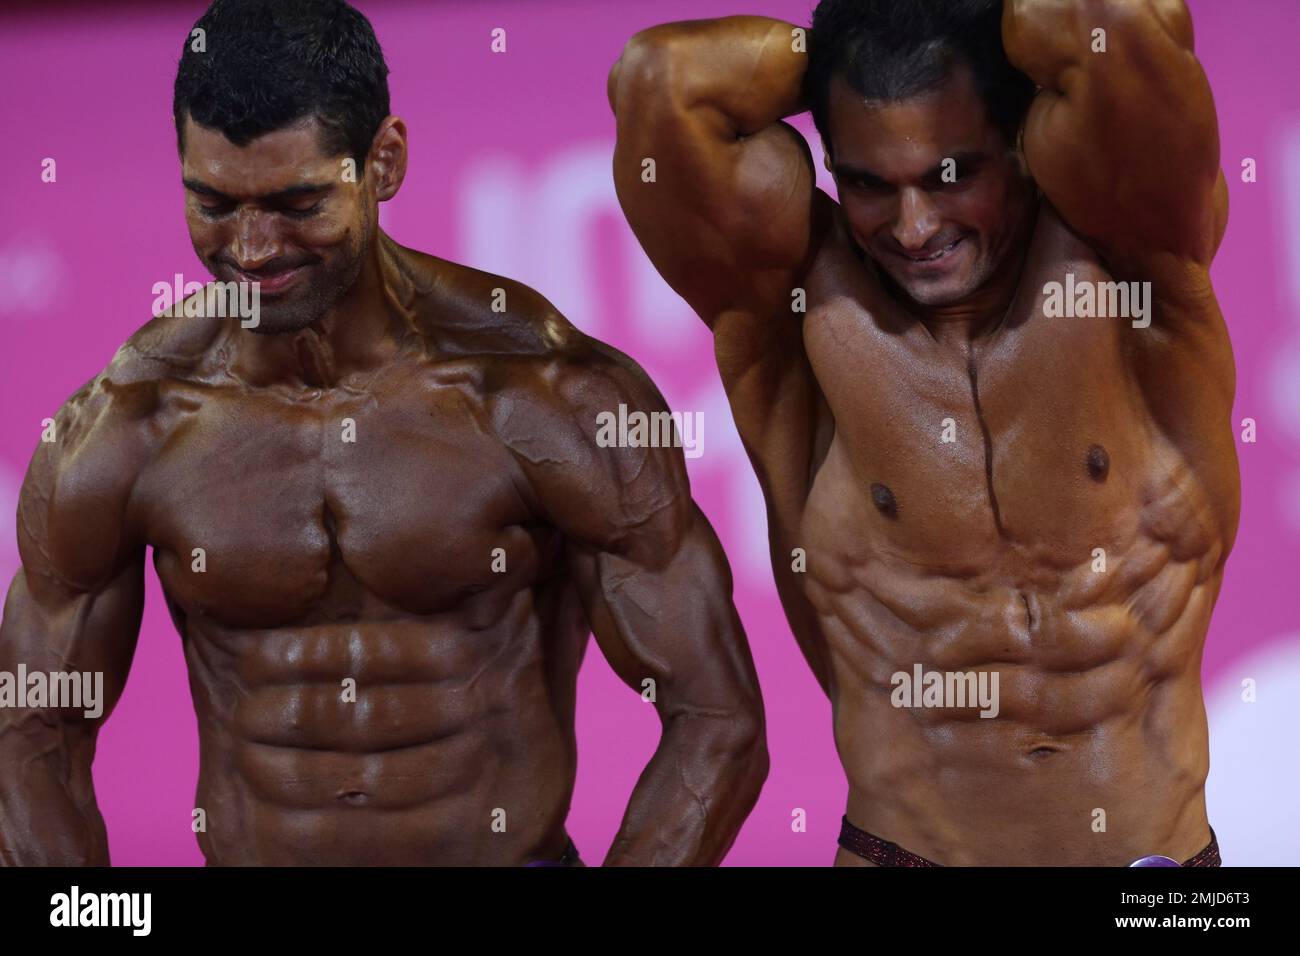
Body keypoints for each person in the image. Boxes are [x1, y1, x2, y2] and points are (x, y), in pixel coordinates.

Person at [0, 0, 767, 866]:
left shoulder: (544, 394)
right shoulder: (128, 422)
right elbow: (31, 735)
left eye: (296, 203)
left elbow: (715, 718)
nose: (251, 250)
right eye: (214, 204)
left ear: (385, 161)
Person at [609, 0, 1235, 866]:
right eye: (868, 183)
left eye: (949, 174)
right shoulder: (792, 311)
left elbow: (1110, 20)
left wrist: (956, 28)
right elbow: (661, 79)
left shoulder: (1136, 260)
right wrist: (855, 47)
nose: (912, 228)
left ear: (1022, 142)